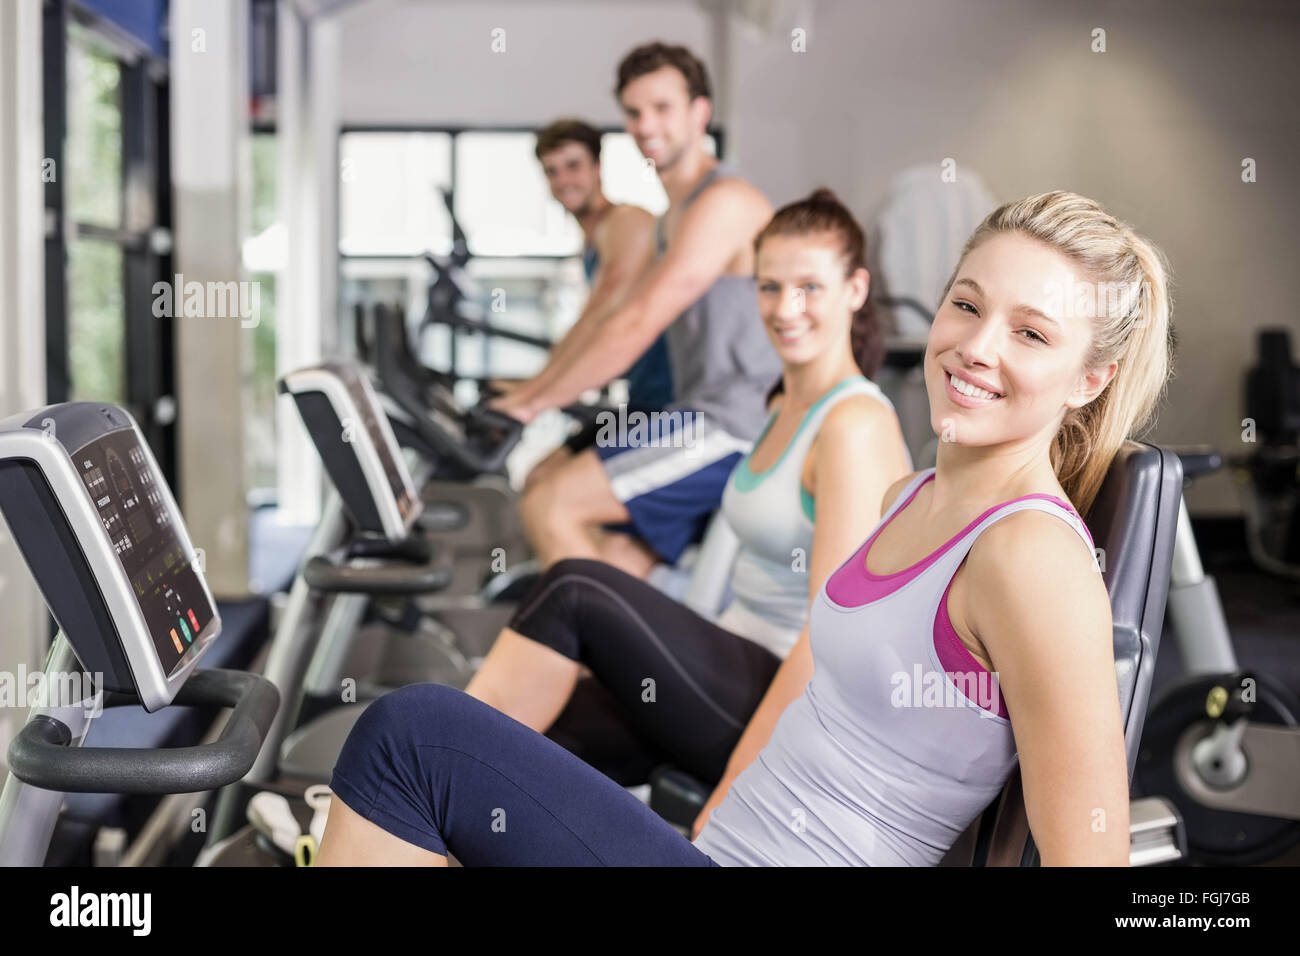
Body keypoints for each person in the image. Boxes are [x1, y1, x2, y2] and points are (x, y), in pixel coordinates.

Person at [316, 190, 1174, 867]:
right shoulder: (909, 497)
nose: (977, 347)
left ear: (1088, 380)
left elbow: (1088, 855)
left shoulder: (1030, 555)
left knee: (412, 737)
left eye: (1029, 333)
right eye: (966, 305)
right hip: (720, 851)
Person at [465, 188, 911, 788]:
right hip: (728, 670)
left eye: (809, 287)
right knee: (520, 759)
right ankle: (433, 784)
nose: (785, 308)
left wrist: (735, 788)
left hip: (785, 706)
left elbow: (831, 640)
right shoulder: (780, 407)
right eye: (769, 286)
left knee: (574, 588)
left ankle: (439, 756)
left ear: (854, 291)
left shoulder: (853, 425)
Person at [492, 43, 781, 580]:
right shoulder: (675, 215)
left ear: (699, 113)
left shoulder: (725, 201)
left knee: (551, 501)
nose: (646, 124)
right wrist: (530, 392)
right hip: (693, 415)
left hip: (733, 427)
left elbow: (635, 319)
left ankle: (589, 650)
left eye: (662, 108)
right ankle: (596, 663)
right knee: (615, 564)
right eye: (634, 111)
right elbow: (612, 317)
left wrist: (531, 404)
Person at [521, 119, 673, 496]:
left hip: (673, 408)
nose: (563, 180)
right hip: (640, 403)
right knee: (539, 476)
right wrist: (532, 389)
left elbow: (602, 314)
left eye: (573, 166)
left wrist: (532, 395)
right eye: (552, 171)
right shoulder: (589, 244)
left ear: (597, 168)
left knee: (552, 490)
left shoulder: (626, 221)